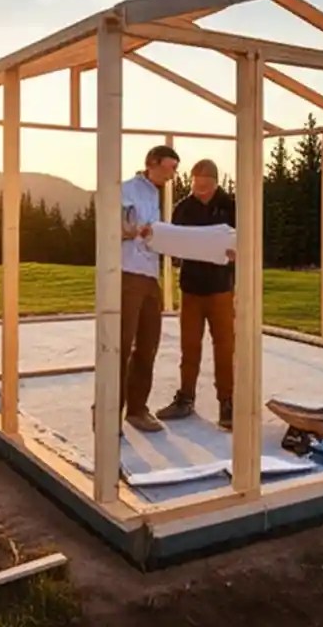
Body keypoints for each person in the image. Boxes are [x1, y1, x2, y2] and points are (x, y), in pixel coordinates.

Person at [155, 158, 237, 430]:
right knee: (189, 346)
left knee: (225, 347)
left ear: (216, 183)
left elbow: (246, 241)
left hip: (221, 289)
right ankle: (185, 398)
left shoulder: (231, 206)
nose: (200, 191)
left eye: (206, 186)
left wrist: (237, 254)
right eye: (196, 186)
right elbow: (175, 242)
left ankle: (228, 402)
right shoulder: (183, 208)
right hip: (191, 288)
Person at [114, 144, 180, 432]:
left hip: (151, 276)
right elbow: (114, 226)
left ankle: (137, 410)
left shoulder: (159, 194)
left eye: (175, 170)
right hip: (127, 275)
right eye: (169, 168)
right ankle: (107, 411)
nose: (172, 175)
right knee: (119, 345)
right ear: (152, 162)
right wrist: (135, 231)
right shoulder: (125, 189)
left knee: (148, 345)